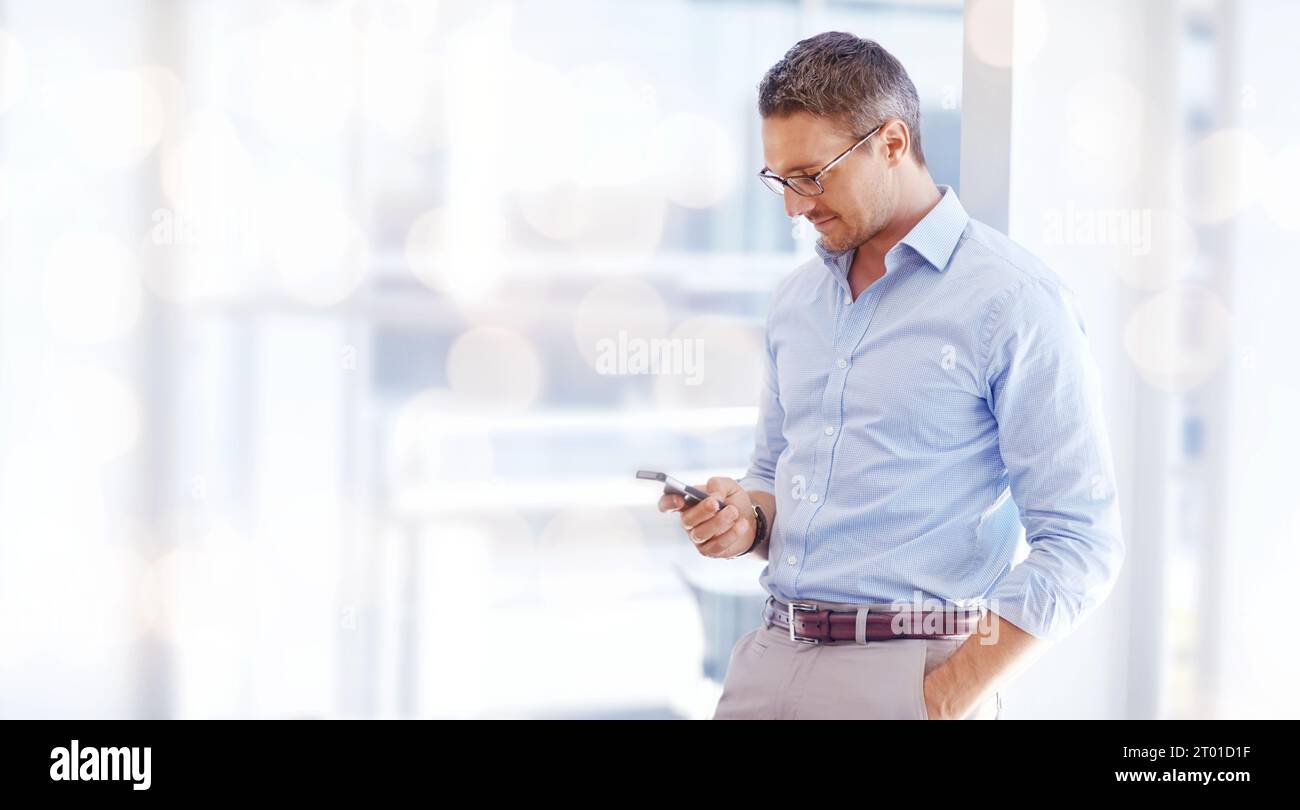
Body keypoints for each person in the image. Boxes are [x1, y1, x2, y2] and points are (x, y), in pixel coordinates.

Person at [659, 31, 1124, 720]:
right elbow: (774, 473)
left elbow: (1082, 546)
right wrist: (744, 518)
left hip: (912, 674)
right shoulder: (796, 303)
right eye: (779, 180)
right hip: (769, 659)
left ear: (893, 144)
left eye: (812, 176)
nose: (793, 205)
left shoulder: (1015, 302)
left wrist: (941, 699)